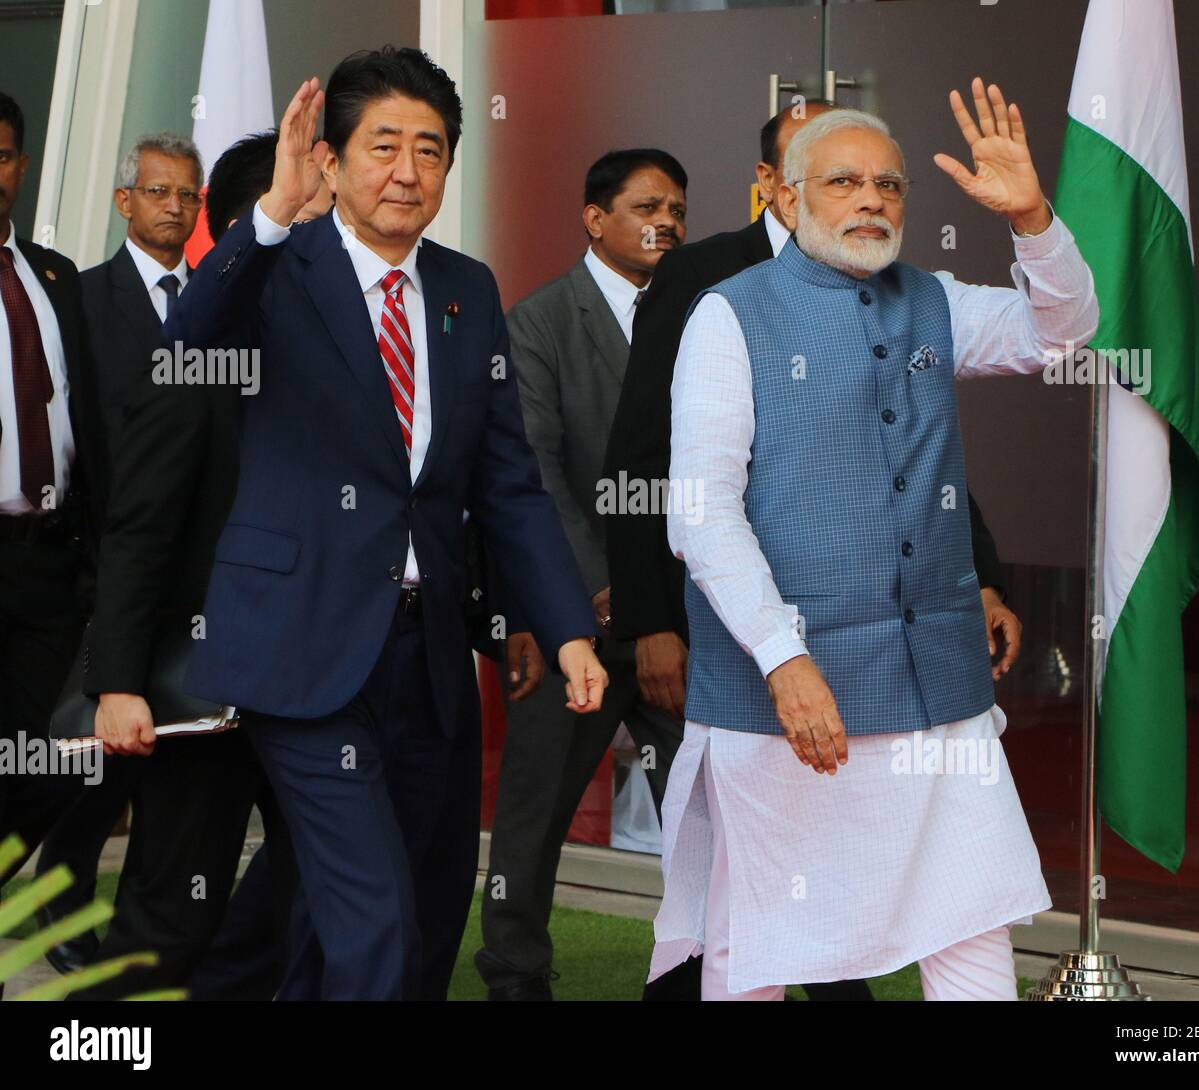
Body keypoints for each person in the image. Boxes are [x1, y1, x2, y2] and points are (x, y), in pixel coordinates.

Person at [113, 48, 607, 1001]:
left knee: (406, 914)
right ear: (331, 162)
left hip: (425, 662)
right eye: (383, 146)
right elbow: (181, 357)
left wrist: (567, 625)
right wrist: (264, 218)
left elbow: (508, 483)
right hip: (303, 654)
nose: (408, 171)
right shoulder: (273, 270)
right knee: (374, 921)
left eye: (430, 150)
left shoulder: (468, 288)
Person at [649, 84, 1097, 1000]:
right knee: (755, 944)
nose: (871, 201)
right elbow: (700, 513)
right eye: (844, 181)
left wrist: (1033, 220)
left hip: (942, 688)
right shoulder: (730, 314)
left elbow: (1066, 334)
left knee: (972, 922)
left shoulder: (933, 301)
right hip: (786, 695)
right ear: (784, 197)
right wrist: (784, 658)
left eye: (889, 186)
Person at [74, 130, 332, 1000]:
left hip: (316, 692)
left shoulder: (348, 348)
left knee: (317, 890)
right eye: (320, 206)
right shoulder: (193, 351)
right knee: (167, 914)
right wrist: (117, 683)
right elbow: (138, 530)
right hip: (202, 697)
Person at [475, 148, 688, 1001]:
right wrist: (596, 591)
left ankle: (707, 968)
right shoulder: (537, 322)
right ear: (595, 219)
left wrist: (657, 593)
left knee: (716, 813)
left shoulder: (700, 312)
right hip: (572, 621)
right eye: (647, 205)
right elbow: (533, 471)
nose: (667, 220)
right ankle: (515, 974)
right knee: (534, 815)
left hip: (681, 618)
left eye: (677, 206)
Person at [35, 132, 206, 979]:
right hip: (106, 563)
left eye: (189, 195)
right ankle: (61, 897)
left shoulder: (219, 304)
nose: (175, 206)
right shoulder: (82, 300)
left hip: (199, 576)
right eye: (160, 191)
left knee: (164, 761)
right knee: (96, 759)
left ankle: (141, 929)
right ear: (124, 202)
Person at [0, 91, 104, 896]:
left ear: (22, 166)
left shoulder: (55, 276)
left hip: (50, 560)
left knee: (59, 759)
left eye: (1, 156)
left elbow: (89, 414)